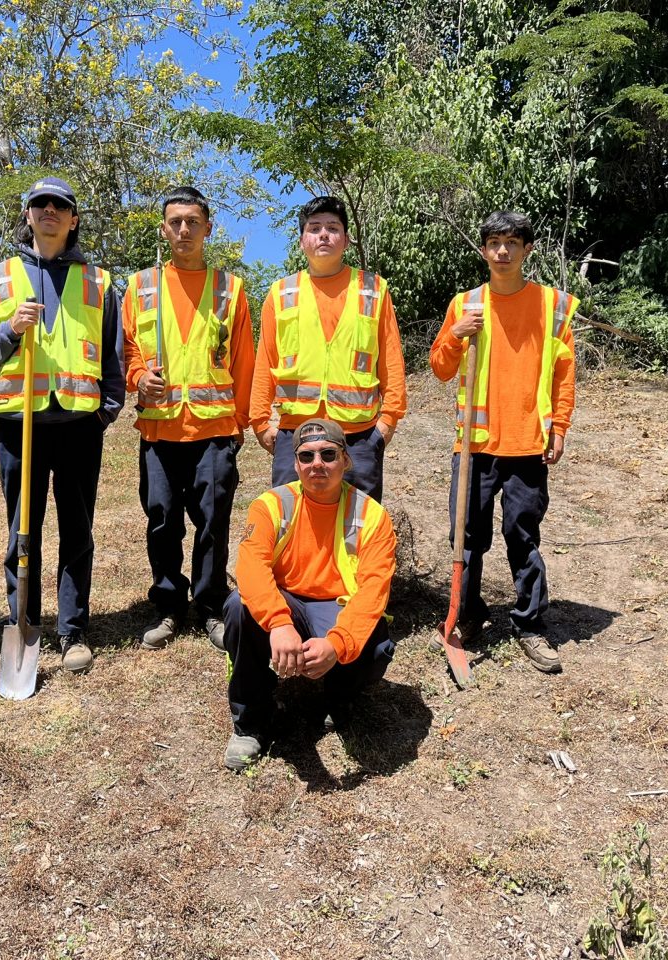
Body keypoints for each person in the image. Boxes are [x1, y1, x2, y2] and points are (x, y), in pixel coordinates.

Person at [0, 177, 124, 674]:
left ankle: (73, 630)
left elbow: (114, 359)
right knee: (23, 531)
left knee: (77, 530)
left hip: (79, 425)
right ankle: (24, 621)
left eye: (60, 205)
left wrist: (106, 412)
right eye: (40, 204)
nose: (50, 210)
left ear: (73, 219)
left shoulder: (99, 282)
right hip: (20, 425)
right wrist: (11, 329)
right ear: (28, 214)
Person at [429, 210, 577, 674]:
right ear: (483, 250)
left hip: (528, 443)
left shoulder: (551, 305)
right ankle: (468, 616)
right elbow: (439, 367)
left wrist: (559, 428)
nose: (503, 251)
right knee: (467, 538)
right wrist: (455, 335)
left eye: (513, 243)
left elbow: (564, 374)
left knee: (522, 536)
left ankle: (530, 624)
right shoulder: (466, 304)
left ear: (527, 249)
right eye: (494, 242)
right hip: (474, 447)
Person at [222, 418, 397, 772]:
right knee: (240, 606)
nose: (317, 463)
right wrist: (278, 623)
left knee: (374, 642)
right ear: (296, 462)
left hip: (336, 608)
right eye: (306, 456)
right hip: (287, 603)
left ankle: (339, 693)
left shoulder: (372, 516)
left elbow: (373, 591)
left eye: (328, 454)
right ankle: (251, 720)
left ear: (346, 460)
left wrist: (337, 643)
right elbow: (251, 568)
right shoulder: (270, 505)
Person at [122, 186, 254, 652]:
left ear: (208, 228)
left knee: (213, 520)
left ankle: (212, 604)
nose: (183, 229)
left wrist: (238, 424)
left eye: (192, 221)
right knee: (161, 518)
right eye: (175, 221)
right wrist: (138, 377)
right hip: (160, 429)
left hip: (215, 430)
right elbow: (130, 351)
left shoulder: (229, 288)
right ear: (164, 228)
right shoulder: (140, 287)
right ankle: (168, 604)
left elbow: (244, 360)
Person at [249, 196, 407, 501]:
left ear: (346, 239)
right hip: (295, 434)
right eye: (315, 227)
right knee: (292, 523)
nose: (324, 234)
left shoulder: (373, 290)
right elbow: (265, 361)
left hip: (358, 437)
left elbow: (391, 361)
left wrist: (387, 423)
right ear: (301, 240)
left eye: (333, 228)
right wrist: (259, 424)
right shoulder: (281, 293)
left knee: (358, 527)